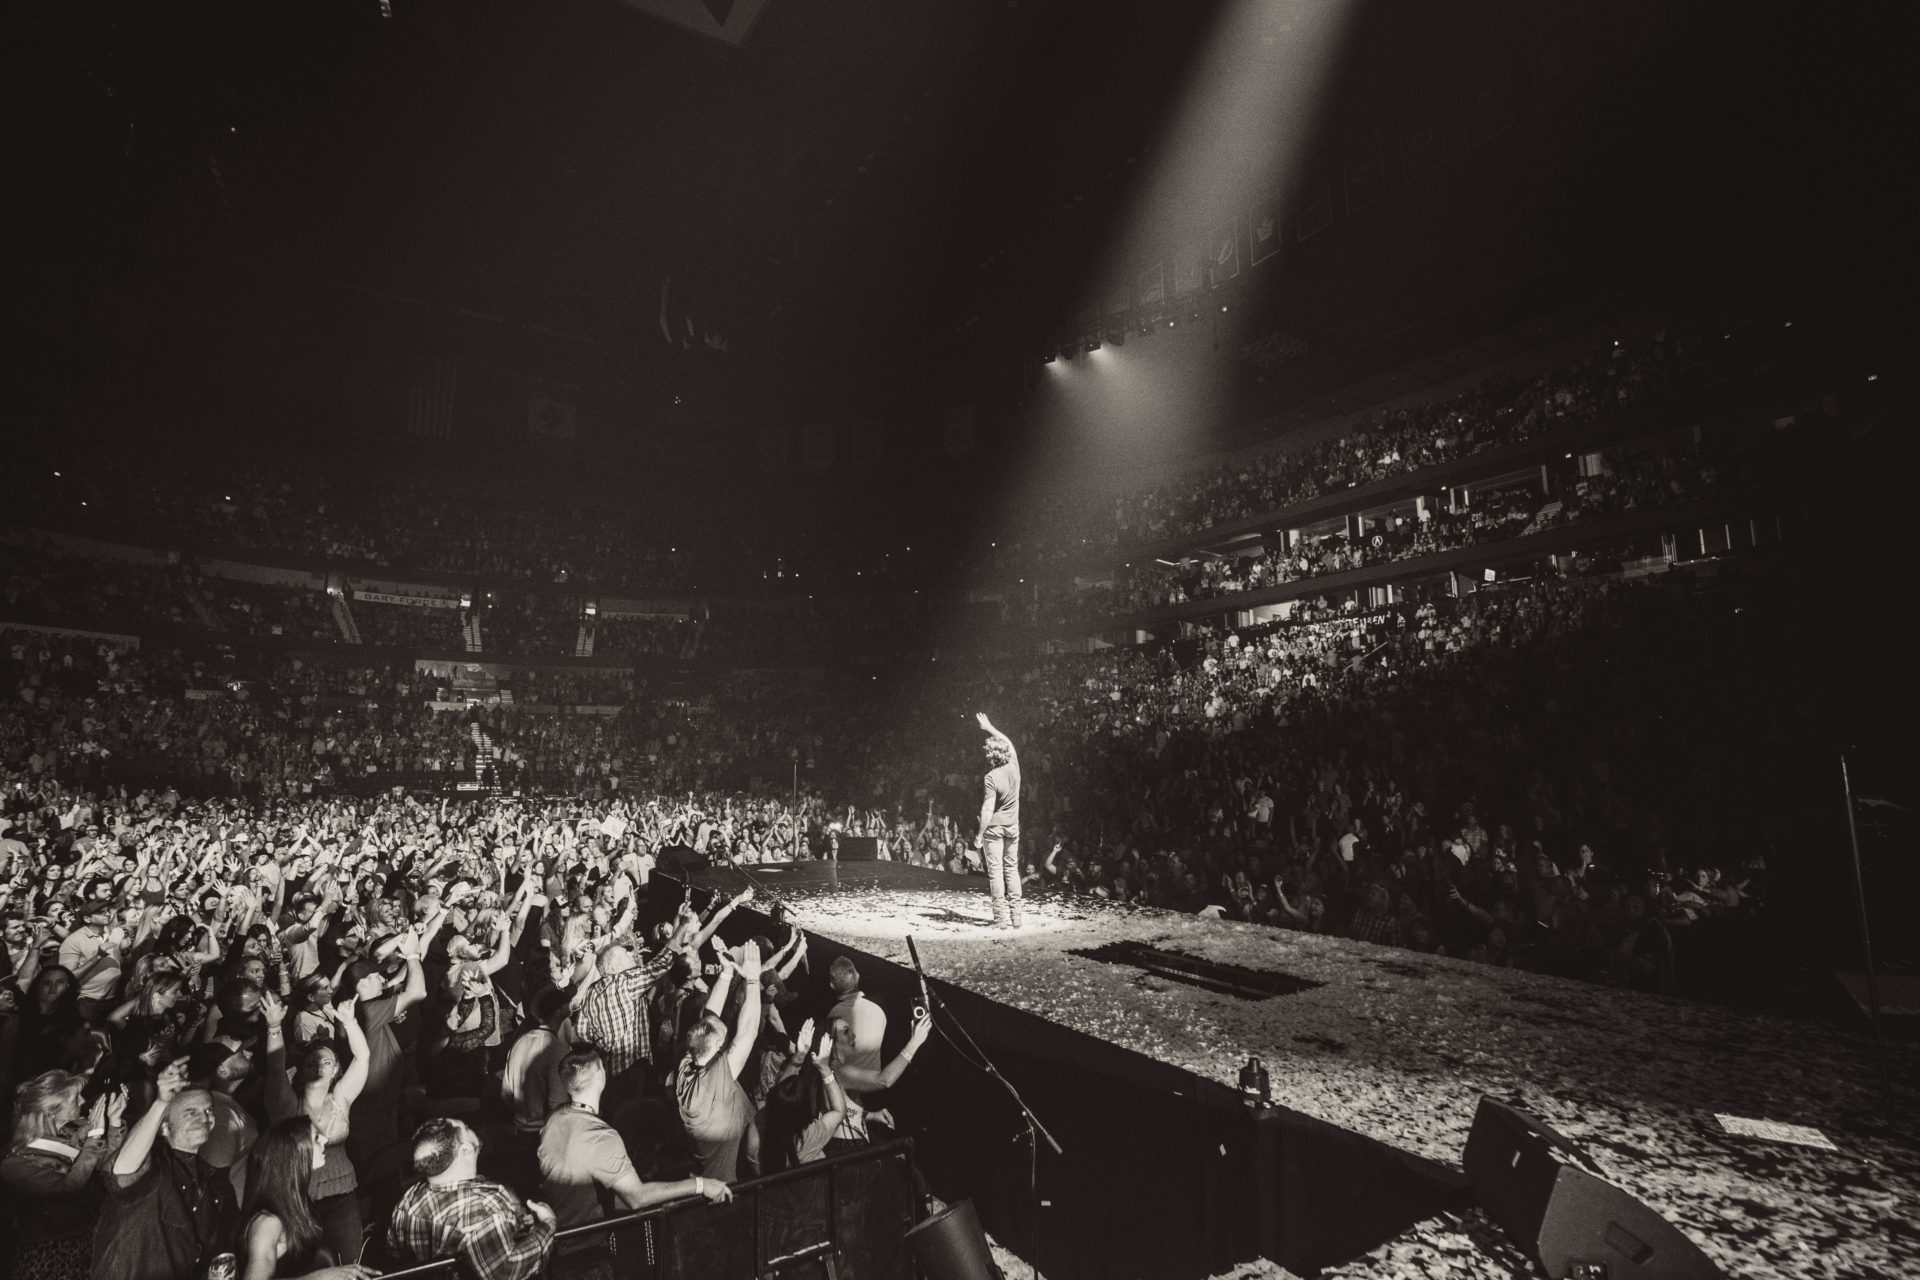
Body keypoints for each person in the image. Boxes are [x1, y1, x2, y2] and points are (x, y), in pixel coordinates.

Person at [537, 1045, 732, 1232]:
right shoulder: (601, 1136)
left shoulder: (553, 1120)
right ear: (600, 1075)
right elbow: (637, 1198)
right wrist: (701, 1184)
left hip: (553, 1233)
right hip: (587, 1247)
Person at [91, 1057, 242, 1280]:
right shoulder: (152, 1167)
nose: (204, 1118)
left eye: (209, 1111)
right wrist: (161, 1103)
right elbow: (123, 1170)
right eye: (191, 1112)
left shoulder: (208, 1176)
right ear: (163, 1127)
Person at [387, 1118, 555, 1280]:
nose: (471, 1128)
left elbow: (394, 1252)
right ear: (465, 1150)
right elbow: (508, 1272)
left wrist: (514, 1224)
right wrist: (547, 1225)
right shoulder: (483, 1208)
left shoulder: (406, 1201)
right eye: (466, 1127)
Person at [1, 1070, 129, 1280]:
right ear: (52, 1110)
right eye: (75, 1097)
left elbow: (109, 1167)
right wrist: (93, 1138)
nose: (83, 1100)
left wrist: (114, 1121)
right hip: (45, 1255)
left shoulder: (74, 1134)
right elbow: (67, 1189)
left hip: (87, 1241)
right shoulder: (15, 1161)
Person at [238, 1118, 377, 1280]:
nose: (324, 1139)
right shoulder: (268, 1223)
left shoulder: (297, 1204)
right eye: (316, 1138)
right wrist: (319, 1277)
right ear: (296, 1153)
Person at [671, 938, 761, 1182]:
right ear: (719, 1047)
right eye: (725, 1037)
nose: (728, 1037)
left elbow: (708, 1016)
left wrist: (726, 973)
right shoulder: (715, 1084)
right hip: (723, 1183)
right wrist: (753, 980)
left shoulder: (686, 1061)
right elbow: (748, 1032)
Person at [971, 712, 1022, 928]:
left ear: (992, 756)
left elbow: (987, 809)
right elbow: (1009, 742)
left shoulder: (991, 777)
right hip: (1012, 826)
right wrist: (990, 727)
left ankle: (1001, 920)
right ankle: (1016, 917)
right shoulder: (1014, 766)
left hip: (994, 829)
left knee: (996, 873)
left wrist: (979, 836)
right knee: (1012, 869)